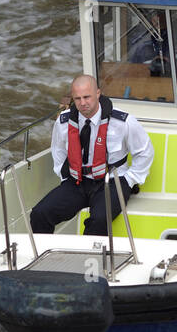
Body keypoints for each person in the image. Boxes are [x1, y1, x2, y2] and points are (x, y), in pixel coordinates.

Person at [30, 74, 154, 236]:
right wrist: (66, 178)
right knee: (40, 214)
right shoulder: (63, 121)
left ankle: (88, 260)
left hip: (112, 181)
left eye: (87, 97)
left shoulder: (123, 121)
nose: (83, 103)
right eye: (78, 98)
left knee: (99, 220)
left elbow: (145, 151)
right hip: (77, 182)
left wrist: (129, 179)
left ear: (98, 93)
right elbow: (58, 151)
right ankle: (44, 257)